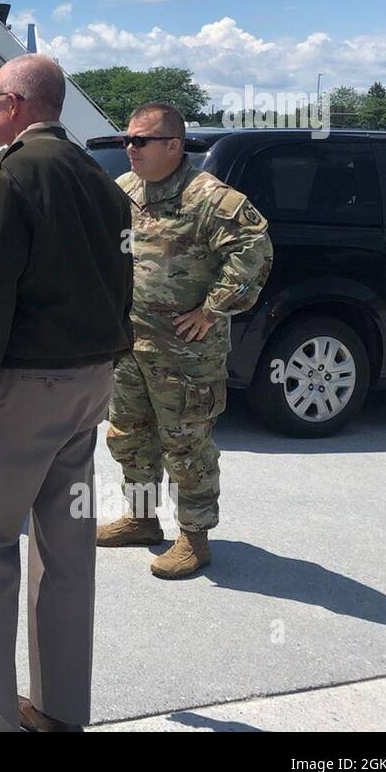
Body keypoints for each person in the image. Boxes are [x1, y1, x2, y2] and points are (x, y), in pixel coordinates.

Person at [0, 54, 133, 733]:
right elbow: (123, 283)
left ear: (19, 103)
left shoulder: (8, 169)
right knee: (65, 550)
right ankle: (57, 711)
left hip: (25, 383)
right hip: (89, 385)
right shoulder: (102, 179)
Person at [99, 102, 273, 578]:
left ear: (173, 145)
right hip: (130, 344)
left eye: (140, 141)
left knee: (187, 443)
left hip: (186, 353)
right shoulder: (126, 190)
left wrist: (212, 309)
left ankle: (194, 537)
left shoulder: (210, 199)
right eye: (126, 140)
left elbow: (254, 254)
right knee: (128, 435)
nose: (129, 149)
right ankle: (140, 518)